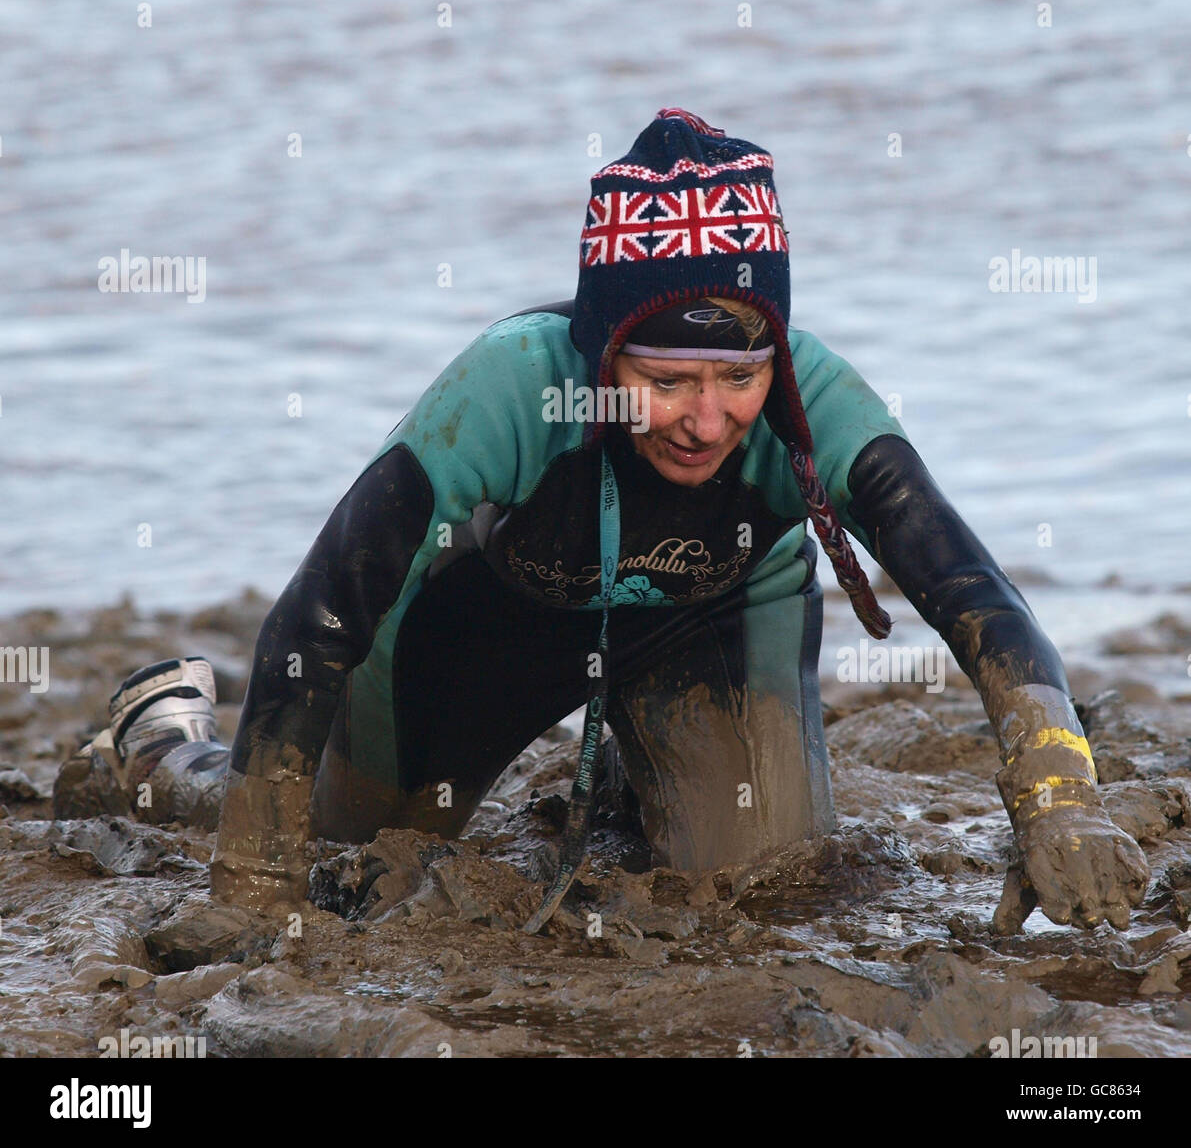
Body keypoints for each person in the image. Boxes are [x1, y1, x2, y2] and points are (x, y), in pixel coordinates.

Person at [56, 107, 1149, 936]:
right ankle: (162, 736)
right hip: (476, 630)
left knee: (755, 880)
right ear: (600, 349)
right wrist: (251, 884)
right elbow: (315, 620)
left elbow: (980, 601)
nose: (707, 419)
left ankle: (650, 768)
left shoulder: (818, 395)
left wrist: (1058, 798)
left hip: (708, 626)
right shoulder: (510, 386)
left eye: (740, 375)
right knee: (347, 863)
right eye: (667, 378)